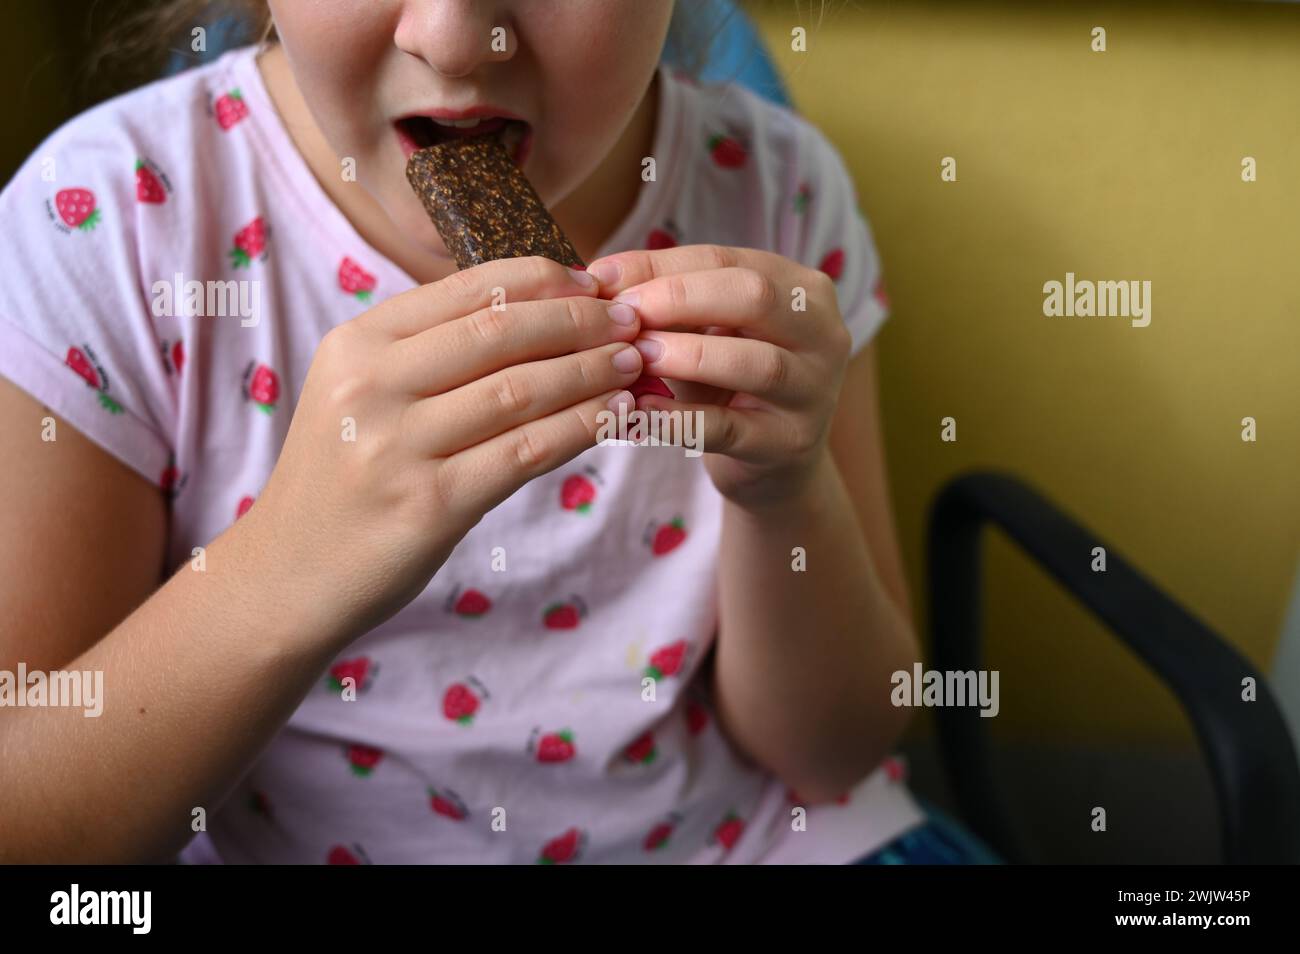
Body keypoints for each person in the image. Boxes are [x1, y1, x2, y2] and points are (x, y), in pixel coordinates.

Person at [0, 0, 990, 864]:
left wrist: (784, 493)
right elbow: (32, 825)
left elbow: (835, 754)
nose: (457, 38)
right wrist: (283, 568)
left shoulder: (774, 197)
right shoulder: (112, 224)